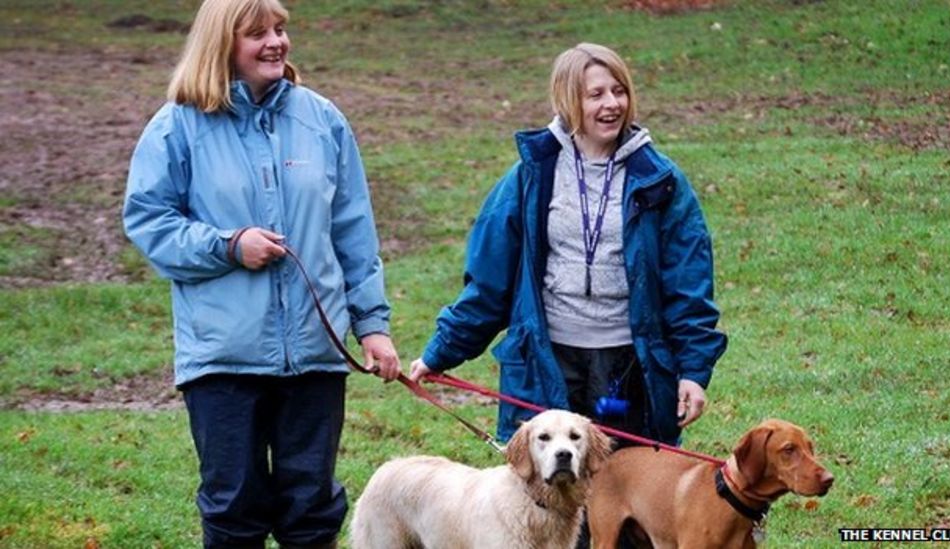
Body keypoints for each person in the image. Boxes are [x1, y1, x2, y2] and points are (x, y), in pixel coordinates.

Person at [122, 1, 400, 547]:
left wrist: (371, 324)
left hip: (315, 358)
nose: (276, 42)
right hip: (222, 359)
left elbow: (354, 234)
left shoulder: (322, 120)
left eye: (280, 29)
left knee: (312, 509)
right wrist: (228, 245)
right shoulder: (177, 125)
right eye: (257, 34)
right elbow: (148, 222)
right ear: (221, 44)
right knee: (234, 509)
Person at [409, 42, 726, 461]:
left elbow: (689, 285)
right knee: (552, 502)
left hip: (628, 366)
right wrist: (440, 352)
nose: (611, 104)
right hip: (548, 364)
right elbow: (489, 282)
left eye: (619, 91)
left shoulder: (659, 181)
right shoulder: (531, 176)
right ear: (567, 100)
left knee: (625, 492)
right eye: (595, 94)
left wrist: (693, 371)